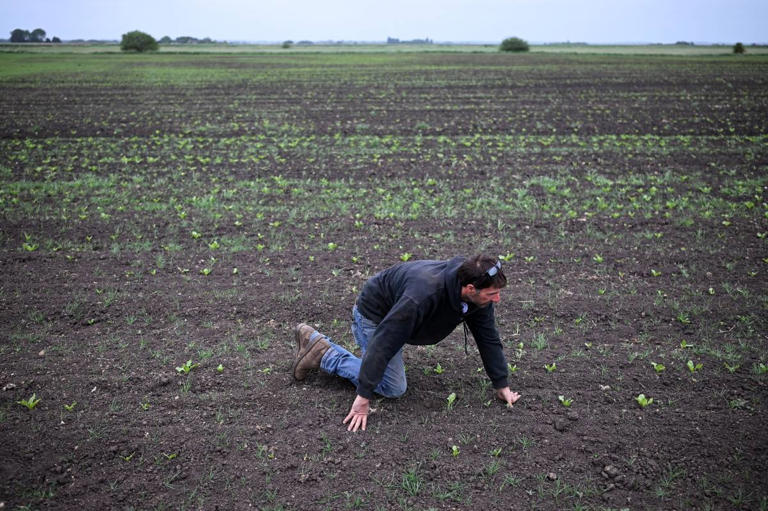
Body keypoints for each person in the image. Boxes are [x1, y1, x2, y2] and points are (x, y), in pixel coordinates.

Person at [290, 254, 521, 431]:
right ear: (470, 289)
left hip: (400, 317)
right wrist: (363, 397)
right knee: (392, 387)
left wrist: (502, 385)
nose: (497, 299)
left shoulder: (476, 294)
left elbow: (488, 337)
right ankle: (322, 352)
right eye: (492, 294)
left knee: (391, 360)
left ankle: (335, 355)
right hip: (376, 317)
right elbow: (386, 340)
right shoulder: (423, 295)